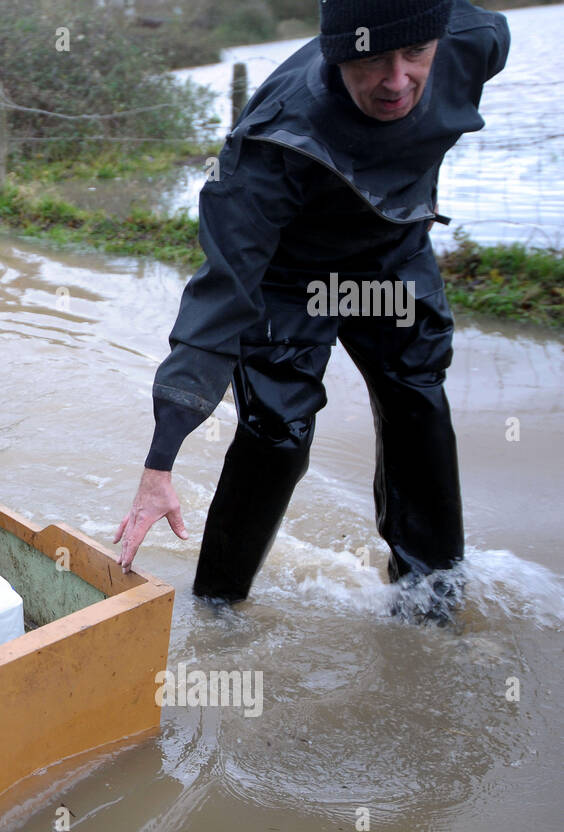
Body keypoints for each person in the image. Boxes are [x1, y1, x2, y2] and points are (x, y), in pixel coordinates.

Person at [114, 0, 510, 619]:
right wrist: (161, 460)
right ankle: (218, 604)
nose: (398, 80)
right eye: (373, 60)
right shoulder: (273, 138)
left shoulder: (476, 39)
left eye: (414, 55)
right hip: (291, 279)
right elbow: (221, 301)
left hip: (393, 251)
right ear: (336, 51)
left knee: (417, 401)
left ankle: (430, 596)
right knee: (278, 434)